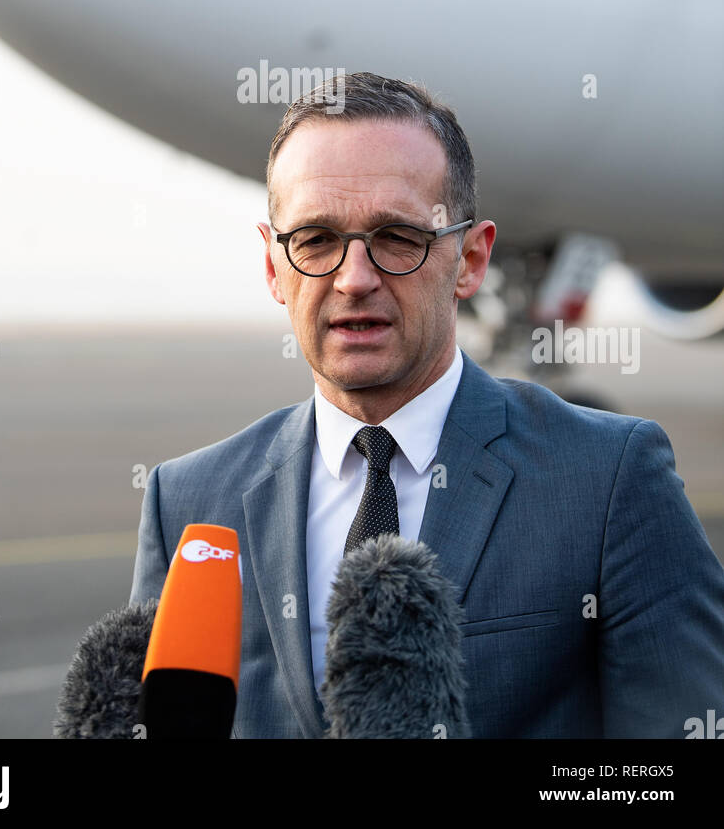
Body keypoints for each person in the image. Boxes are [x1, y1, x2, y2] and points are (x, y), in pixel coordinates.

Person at [129, 71, 724, 738]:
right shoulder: (187, 502)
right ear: (274, 267)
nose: (354, 279)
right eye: (316, 240)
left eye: (397, 239)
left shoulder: (609, 480)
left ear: (470, 259)